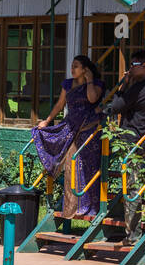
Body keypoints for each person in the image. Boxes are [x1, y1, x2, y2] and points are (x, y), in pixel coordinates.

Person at [33, 55, 104, 220]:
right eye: (72, 66)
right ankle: (72, 208)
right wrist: (47, 121)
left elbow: (93, 98)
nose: (72, 69)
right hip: (71, 128)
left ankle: (91, 207)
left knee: (90, 167)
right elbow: (60, 105)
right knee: (72, 165)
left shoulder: (97, 84)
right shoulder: (67, 84)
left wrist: (90, 80)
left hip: (89, 130)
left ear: (85, 69)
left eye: (76, 66)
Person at [99, 51, 145, 241]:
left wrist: (123, 85)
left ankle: (133, 235)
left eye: (133, 64)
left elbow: (117, 105)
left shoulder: (139, 87)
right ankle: (131, 230)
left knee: (132, 187)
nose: (130, 69)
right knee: (135, 186)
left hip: (133, 141)